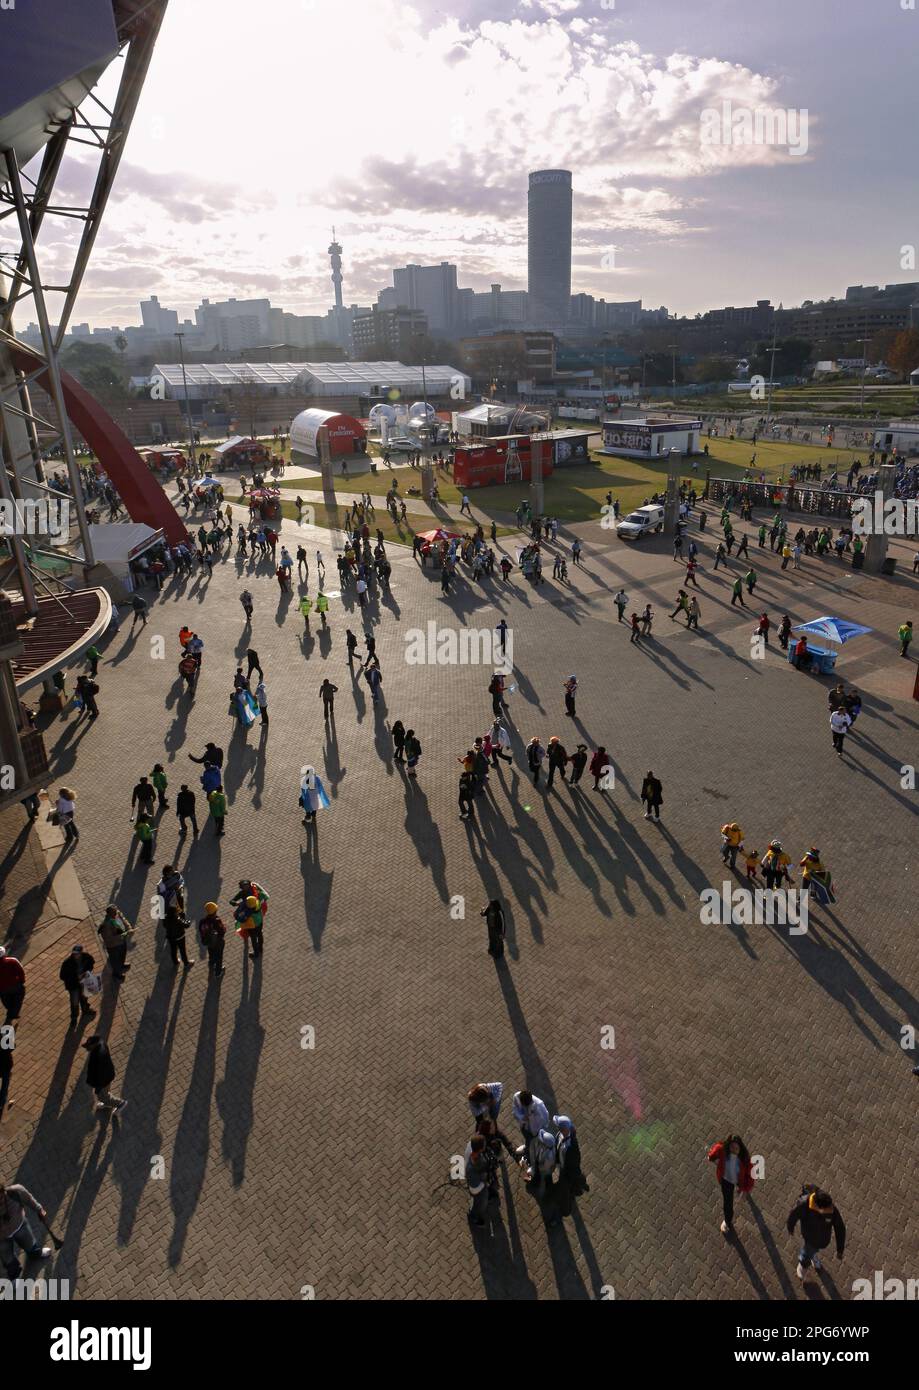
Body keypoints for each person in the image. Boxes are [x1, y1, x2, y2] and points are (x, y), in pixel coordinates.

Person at [787, 1186, 846, 1281]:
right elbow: (794, 1215)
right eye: (828, 1209)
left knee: (812, 1250)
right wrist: (790, 1227)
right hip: (810, 1237)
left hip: (822, 1239)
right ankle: (803, 1265)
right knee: (807, 1252)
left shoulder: (831, 1209)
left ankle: (812, 1255)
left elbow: (840, 1228)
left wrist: (840, 1249)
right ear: (818, 1207)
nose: (831, 1210)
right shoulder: (804, 1205)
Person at [0, 1181, 53, 1277]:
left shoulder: (15, 1191)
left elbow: (28, 1199)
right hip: (2, 1238)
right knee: (8, 1259)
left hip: (20, 1225)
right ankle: (14, 1275)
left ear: (3, 1190)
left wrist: (39, 1209)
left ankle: (35, 1254)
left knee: (30, 1243)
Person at [707, 1134, 754, 1234]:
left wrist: (746, 1189)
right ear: (728, 1145)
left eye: (736, 1148)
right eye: (732, 1147)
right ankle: (727, 1221)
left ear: (740, 1149)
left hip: (738, 1180)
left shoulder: (744, 1160)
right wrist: (711, 1156)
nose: (733, 1150)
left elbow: (750, 1176)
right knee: (728, 1203)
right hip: (726, 1181)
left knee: (740, 1187)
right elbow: (716, 1149)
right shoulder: (723, 1150)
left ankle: (741, 1188)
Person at [83, 1035, 127, 1114]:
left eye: (89, 1046)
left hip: (103, 1080)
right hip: (108, 1074)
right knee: (105, 1092)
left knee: (102, 1096)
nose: (87, 1048)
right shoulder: (101, 1044)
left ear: (94, 1045)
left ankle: (120, 1103)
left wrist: (98, 1088)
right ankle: (107, 1103)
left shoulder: (98, 1056)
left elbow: (100, 1075)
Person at [553, 1115, 587, 1215]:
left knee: (565, 1192)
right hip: (562, 1167)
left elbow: (575, 1163)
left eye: (558, 1126)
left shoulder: (572, 1146)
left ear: (563, 1129)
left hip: (568, 1173)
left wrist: (568, 1176)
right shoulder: (560, 1134)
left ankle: (565, 1211)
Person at [512, 1089, 550, 1169]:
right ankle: (527, 1148)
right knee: (528, 1140)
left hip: (535, 1131)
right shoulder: (516, 1097)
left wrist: (540, 1130)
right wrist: (522, 1117)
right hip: (524, 1127)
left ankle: (529, 1159)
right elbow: (515, 1111)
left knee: (532, 1143)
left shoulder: (539, 1105)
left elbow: (545, 1118)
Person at [60, 944, 96, 1028]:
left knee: (84, 998)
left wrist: (87, 972)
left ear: (81, 952)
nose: (76, 955)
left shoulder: (86, 957)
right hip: (73, 985)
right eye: (74, 953)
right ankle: (74, 1018)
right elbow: (62, 976)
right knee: (74, 1002)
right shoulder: (67, 963)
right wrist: (76, 977)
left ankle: (85, 1010)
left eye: (77, 953)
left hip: (84, 983)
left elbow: (92, 962)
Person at [99, 905, 133, 982]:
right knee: (115, 961)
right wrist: (125, 934)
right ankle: (117, 975)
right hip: (113, 946)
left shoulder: (116, 915)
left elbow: (123, 919)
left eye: (116, 911)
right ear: (109, 914)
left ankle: (122, 965)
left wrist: (129, 927)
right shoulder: (106, 925)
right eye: (114, 913)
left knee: (122, 955)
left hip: (121, 941)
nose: (116, 914)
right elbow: (110, 939)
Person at [199, 902, 226, 978]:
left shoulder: (202, 921)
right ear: (215, 911)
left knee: (211, 952)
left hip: (209, 942)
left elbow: (201, 931)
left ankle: (211, 962)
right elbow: (222, 932)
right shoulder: (217, 921)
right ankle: (218, 972)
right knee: (219, 956)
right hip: (218, 943)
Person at [0, 948, 25, 1025]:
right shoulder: (12, 960)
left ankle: (12, 1013)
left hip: (2, 989)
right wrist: (22, 981)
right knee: (18, 1000)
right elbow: (20, 971)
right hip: (15, 986)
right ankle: (10, 1017)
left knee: (7, 1002)